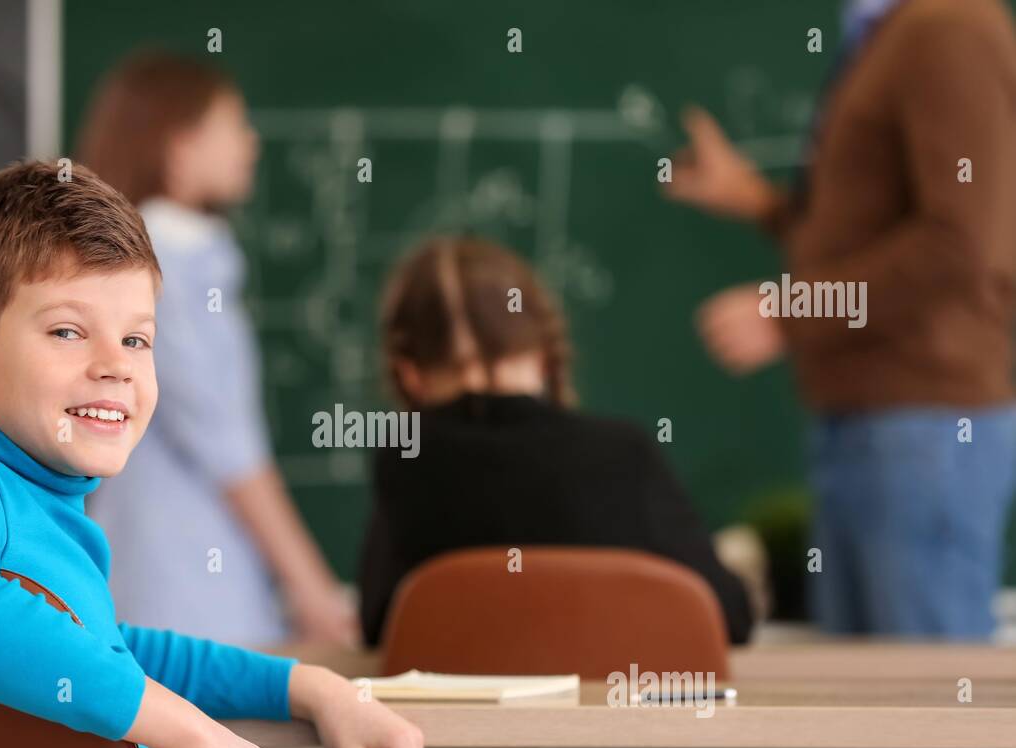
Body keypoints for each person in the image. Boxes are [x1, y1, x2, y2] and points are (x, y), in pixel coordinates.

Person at [0, 161, 429, 748]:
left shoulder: (42, 506)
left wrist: (312, 688)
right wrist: (190, 734)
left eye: (137, 339)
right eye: (69, 332)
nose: (117, 366)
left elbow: (115, 656)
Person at [665, 0, 1016, 640]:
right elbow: (877, 231)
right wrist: (758, 200)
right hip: (872, 425)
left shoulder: (950, 27)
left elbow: (965, 245)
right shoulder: (890, 32)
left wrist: (790, 309)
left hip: (924, 427)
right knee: (864, 711)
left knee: (927, 716)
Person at [78, 52, 356, 648]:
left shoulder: (161, 260)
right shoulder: (166, 268)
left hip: (167, 575)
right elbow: (230, 447)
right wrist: (312, 587)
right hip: (180, 589)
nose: (250, 144)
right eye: (233, 126)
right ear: (179, 148)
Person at [357, 236, 754, 647]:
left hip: (449, 714)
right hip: (615, 707)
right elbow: (728, 616)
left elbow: (378, 625)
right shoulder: (624, 454)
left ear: (408, 374)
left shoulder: (405, 460)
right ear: (546, 353)